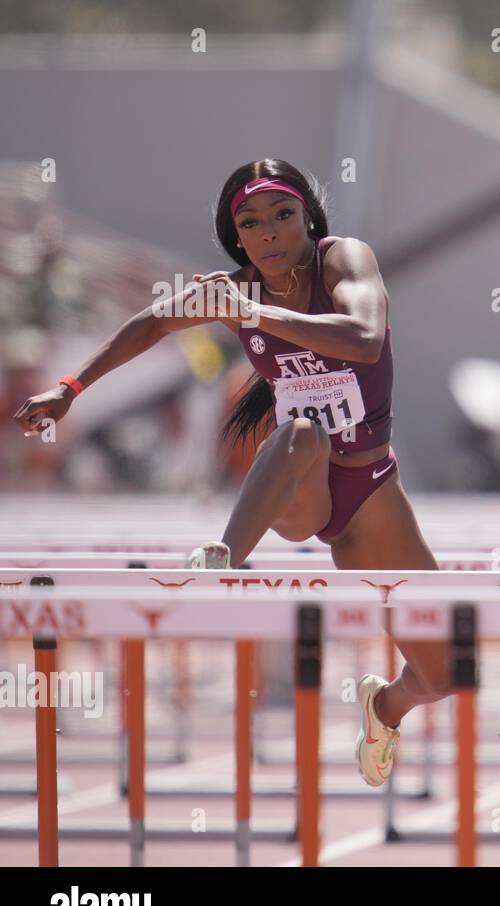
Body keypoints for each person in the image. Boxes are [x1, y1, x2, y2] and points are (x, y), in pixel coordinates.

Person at [11, 158, 448, 785]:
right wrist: (70, 386)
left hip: (374, 489)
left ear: (307, 217)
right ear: (236, 236)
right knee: (300, 434)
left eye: (282, 216)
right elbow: (151, 323)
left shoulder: (343, 261)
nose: (269, 233)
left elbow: (362, 338)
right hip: (304, 489)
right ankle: (220, 558)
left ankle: (384, 706)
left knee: (444, 674)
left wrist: (253, 315)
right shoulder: (232, 288)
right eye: (252, 224)